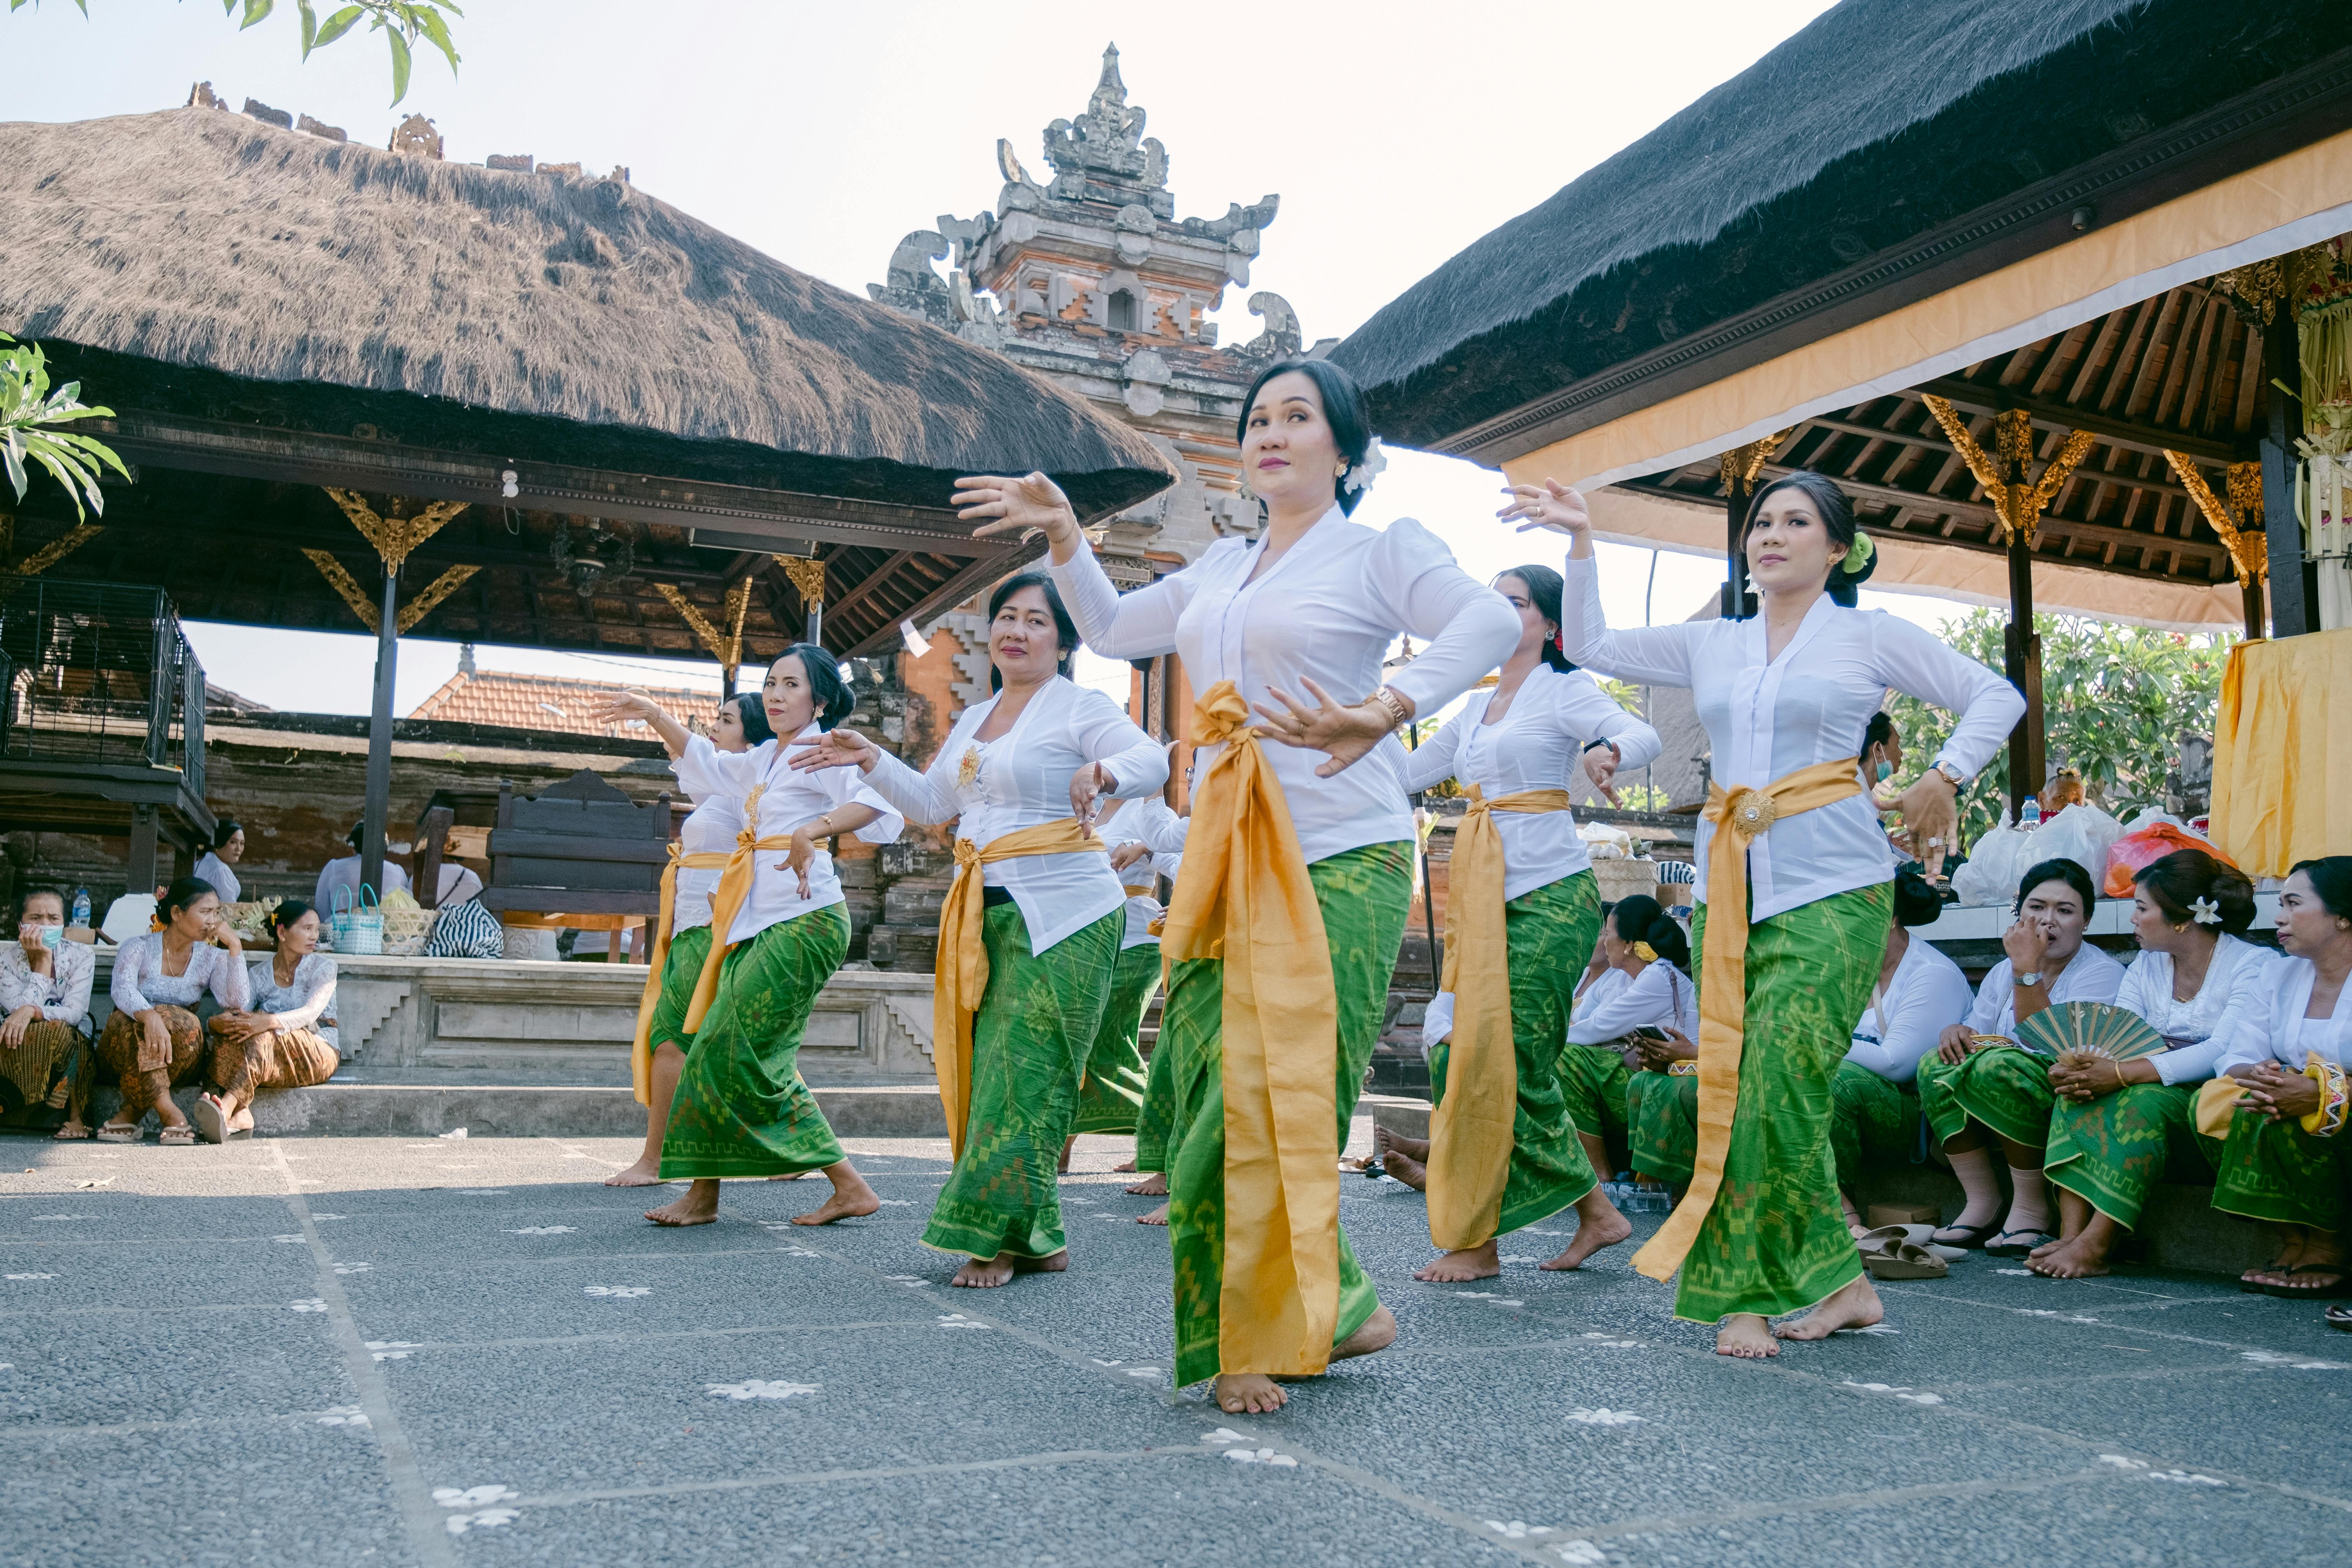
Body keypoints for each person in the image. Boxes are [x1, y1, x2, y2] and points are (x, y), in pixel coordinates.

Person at [964, 357, 1519, 1412]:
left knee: (1287, 1090)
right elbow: (1116, 629)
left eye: (1297, 417)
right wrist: (1067, 533)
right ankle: (1339, 1304)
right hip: (1227, 849)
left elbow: (1486, 625)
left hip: (1342, 854)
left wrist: (1389, 704)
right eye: (1258, 417)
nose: (1271, 432)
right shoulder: (1219, 565)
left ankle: (1259, 1329)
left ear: (1345, 450)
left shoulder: (1380, 549)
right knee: (1213, 1086)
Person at [1508, 466, 2023, 1357]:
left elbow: (1996, 695)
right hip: (1729, 892)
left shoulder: (1870, 636)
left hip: (1836, 887)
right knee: (1743, 1087)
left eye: (1794, 522)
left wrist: (1946, 774)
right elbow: (1589, 641)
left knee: (1780, 1079)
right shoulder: (1716, 642)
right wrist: (1581, 540)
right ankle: (1844, 1281)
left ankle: (1741, 1294)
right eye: (1760, 523)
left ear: (1835, 547)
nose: (1770, 535)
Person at [793, 579, 1164, 1283]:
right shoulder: (974, 716)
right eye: (1006, 618)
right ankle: (1038, 1232)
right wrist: (870, 757)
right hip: (985, 908)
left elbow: (1150, 762)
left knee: (1024, 1072)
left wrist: (1103, 769)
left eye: (1035, 620)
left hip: (1068, 911)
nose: (1016, 631)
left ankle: (992, 1235)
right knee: (993, 1065)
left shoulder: (1079, 707)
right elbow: (934, 803)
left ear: (1062, 640)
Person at [1360, 563, 1657, 1283]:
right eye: (1490, 603)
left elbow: (1636, 732)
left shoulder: (1566, 688)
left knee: (1510, 1060)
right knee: (1460, 1056)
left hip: (1550, 896)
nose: (1498, 613)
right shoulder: (1471, 709)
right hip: (1482, 900)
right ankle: (1593, 1210)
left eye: (1515, 603)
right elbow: (1396, 774)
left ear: (1551, 625)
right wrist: (1353, 710)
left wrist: (1608, 750)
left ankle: (1482, 1235)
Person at [598, 648, 902, 1229]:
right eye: (771, 683)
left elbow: (878, 806)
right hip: (753, 920)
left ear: (819, 699)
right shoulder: (763, 757)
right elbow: (706, 761)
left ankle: (837, 1185)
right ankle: (718, 1192)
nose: (777, 694)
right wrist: (655, 714)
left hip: (807, 919)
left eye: (793, 684)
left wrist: (813, 829)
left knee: (722, 1047)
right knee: (713, 1044)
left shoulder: (825, 747)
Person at [2029, 850, 2274, 1279]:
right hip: (2149, 1078)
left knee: (2143, 1102)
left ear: (2182, 919)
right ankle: (2071, 1234)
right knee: (2077, 1092)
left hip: (2209, 1096)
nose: (2133, 919)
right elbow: (2117, 1034)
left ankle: (2100, 1242)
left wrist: (2122, 1074)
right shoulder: (2147, 964)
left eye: (2142, 908)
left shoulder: (2253, 965)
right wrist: (2082, 1067)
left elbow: (2221, 1049)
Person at [604, 692, 771, 1188]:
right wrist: (655, 717)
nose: (713, 728)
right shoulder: (721, 787)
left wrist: (657, 714)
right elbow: (690, 753)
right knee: (738, 1046)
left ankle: (656, 1160)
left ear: (753, 736)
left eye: (725, 721)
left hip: (713, 927)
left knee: (671, 1038)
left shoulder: (758, 789)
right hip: (691, 925)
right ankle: (796, 1149)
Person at [1918, 858, 2126, 1255]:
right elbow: (1979, 1034)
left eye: (2065, 911)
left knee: (2000, 1067)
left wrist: (2027, 968)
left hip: (2071, 1094)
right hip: (2008, 1084)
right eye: (2036, 908)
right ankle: (1982, 1200)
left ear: (2085, 923)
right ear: (2019, 914)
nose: (2048, 921)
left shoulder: (2100, 974)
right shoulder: (2002, 971)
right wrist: (1956, 1032)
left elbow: (2049, 1045)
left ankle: (2032, 1207)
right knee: (1937, 1061)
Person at [2206, 858, 2352, 1309]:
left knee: (2309, 1111)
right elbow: (2235, 1055)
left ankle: (2330, 1243)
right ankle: (2295, 1239)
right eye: (2280, 904)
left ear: (2343, 916)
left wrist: (2324, 1093)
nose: (2279, 918)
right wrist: (2263, 1077)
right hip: (2290, 1101)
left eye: (2293, 903)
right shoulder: (2278, 974)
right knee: (2231, 1105)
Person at [1830, 869, 1973, 1236]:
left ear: (1890, 918)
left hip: (1919, 1115)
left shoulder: (1931, 973)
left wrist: (1814, 1038)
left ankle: (1835, 1216)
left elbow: (1896, 1064)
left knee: (1831, 1080)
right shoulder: (1851, 969)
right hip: (1865, 1102)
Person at [1066, 779, 1184, 1172]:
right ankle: (1158, 1136)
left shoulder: (1148, 813)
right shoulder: (1088, 808)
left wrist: (1149, 849)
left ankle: (1163, 1134)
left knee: (1102, 1037)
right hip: (1089, 938)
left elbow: (1185, 861)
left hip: (1137, 940)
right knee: (1091, 1040)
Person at [96, 876, 249, 1143]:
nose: (212, 921)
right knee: (129, 1024)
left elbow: (235, 1002)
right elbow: (122, 990)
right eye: (204, 912)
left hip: (179, 1056)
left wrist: (235, 948)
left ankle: (132, 1111)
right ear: (177, 913)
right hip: (122, 1049)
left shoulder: (211, 956)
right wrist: (150, 1016)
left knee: (187, 1024)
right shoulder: (138, 947)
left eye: (216, 913)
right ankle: (169, 1113)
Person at [195, 899, 341, 1142]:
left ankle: (226, 1105)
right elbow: (239, 1011)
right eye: (307, 929)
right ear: (282, 932)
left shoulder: (324, 967)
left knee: (262, 1028)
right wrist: (216, 1023)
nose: (314, 936)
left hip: (318, 1050)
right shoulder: (259, 974)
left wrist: (268, 1021)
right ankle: (241, 1115)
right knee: (236, 1027)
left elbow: (311, 1013)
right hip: (271, 1058)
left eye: (317, 929)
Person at [1581, 897, 1702, 1188]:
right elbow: (1590, 1022)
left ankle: (1658, 1180)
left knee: (1569, 1060)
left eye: (1606, 933)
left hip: (1680, 1066)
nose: (1603, 940)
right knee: (1645, 1082)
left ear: (1627, 944)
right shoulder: (1623, 976)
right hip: (1653, 1065)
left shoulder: (1659, 977)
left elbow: (1595, 1028)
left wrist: (1546, 1038)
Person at [0, 888, 97, 1138]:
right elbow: (15, 1012)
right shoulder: (5, 960)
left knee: (64, 1032)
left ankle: (75, 1117)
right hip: (18, 1036)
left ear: (64, 924)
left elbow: (75, 1013)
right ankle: (22, 1114)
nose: (45, 924)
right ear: (20, 923)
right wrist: (43, 962)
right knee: (28, 1030)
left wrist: (33, 1010)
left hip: (68, 1034)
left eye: (54, 918)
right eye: (35, 918)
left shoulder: (82, 955)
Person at [314, 822, 411, 914]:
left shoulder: (334, 867)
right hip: (386, 928)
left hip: (343, 927)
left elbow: (322, 909)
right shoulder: (398, 871)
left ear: (354, 846)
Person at [193, 820, 246, 906]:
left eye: (242, 843)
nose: (239, 848)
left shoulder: (207, 861)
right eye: (233, 842)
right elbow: (229, 908)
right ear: (218, 843)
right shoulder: (220, 870)